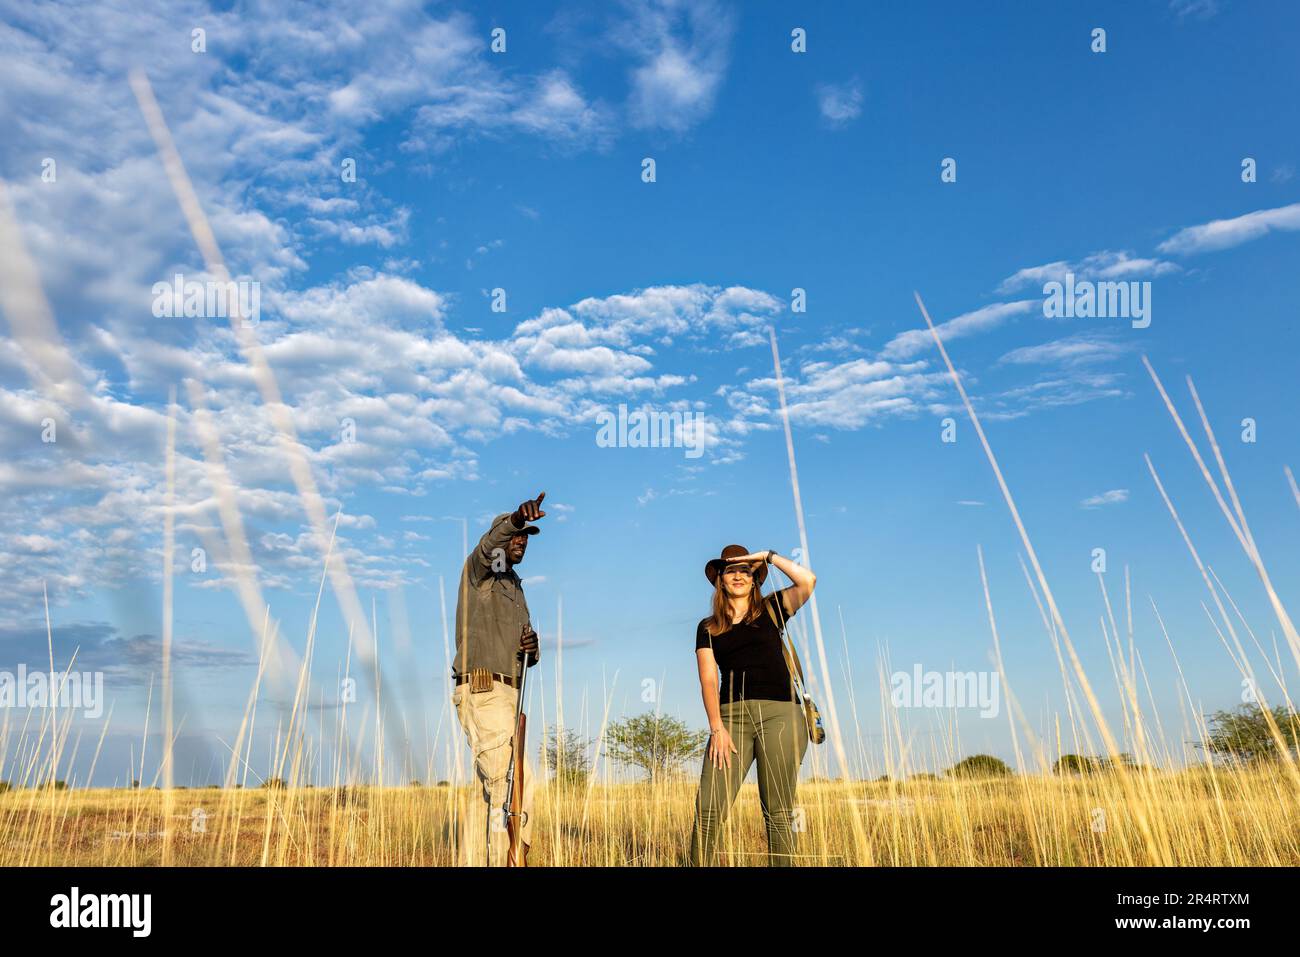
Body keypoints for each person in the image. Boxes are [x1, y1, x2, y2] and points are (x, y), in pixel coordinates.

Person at [688, 544, 817, 866]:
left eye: (745, 570)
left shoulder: (773, 609)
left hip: (781, 715)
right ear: (720, 580)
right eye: (730, 570)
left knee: (777, 809)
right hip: (731, 718)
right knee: (709, 808)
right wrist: (716, 728)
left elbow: (808, 581)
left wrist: (767, 558)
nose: (738, 575)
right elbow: (707, 679)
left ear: (755, 578)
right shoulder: (708, 627)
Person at [451, 491, 546, 866]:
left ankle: (507, 856)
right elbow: (488, 547)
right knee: (506, 785)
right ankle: (509, 858)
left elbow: (525, 651)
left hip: (511, 692)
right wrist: (514, 521)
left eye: (524, 537)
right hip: (483, 687)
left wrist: (532, 647)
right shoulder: (479, 574)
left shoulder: (516, 587)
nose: (520, 541)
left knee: (511, 784)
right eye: (516, 535)